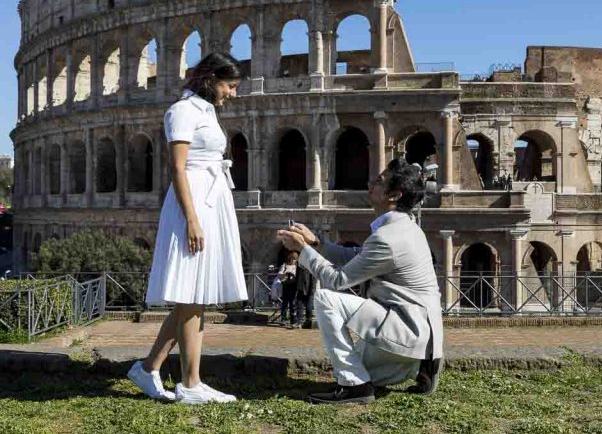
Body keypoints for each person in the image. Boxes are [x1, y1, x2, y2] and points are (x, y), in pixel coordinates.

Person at [127, 53, 248, 404]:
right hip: (192, 202)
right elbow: (177, 168)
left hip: (208, 200)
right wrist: (192, 219)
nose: (232, 93)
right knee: (191, 295)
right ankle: (190, 383)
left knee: (192, 296)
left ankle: (150, 369)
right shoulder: (182, 111)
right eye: (230, 86)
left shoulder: (205, 110)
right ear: (211, 79)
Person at [277, 158, 444, 404]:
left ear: (394, 195)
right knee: (366, 367)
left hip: (407, 331)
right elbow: (356, 257)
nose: (371, 183)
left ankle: (354, 386)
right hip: (420, 336)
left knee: (326, 298)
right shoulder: (405, 227)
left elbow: (337, 279)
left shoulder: (387, 238)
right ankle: (417, 369)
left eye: (380, 181)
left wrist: (303, 251)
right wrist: (316, 244)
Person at [278, 251, 299, 327]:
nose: (292, 261)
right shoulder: (285, 265)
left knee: (293, 303)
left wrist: (294, 275)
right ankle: (283, 319)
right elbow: (279, 274)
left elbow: (299, 276)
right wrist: (285, 274)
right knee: (284, 303)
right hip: (286, 285)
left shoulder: (297, 266)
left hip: (293, 286)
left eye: (294, 259)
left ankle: (293, 320)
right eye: (291, 259)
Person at [295, 262, 316, 329]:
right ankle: (300, 321)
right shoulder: (301, 264)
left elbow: (313, 279)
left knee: (308, 305)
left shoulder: (311, 265)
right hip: (301, 287)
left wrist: (312, 289)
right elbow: (297, 276)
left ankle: (307, 321)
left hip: (308, 288)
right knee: (300, 304)